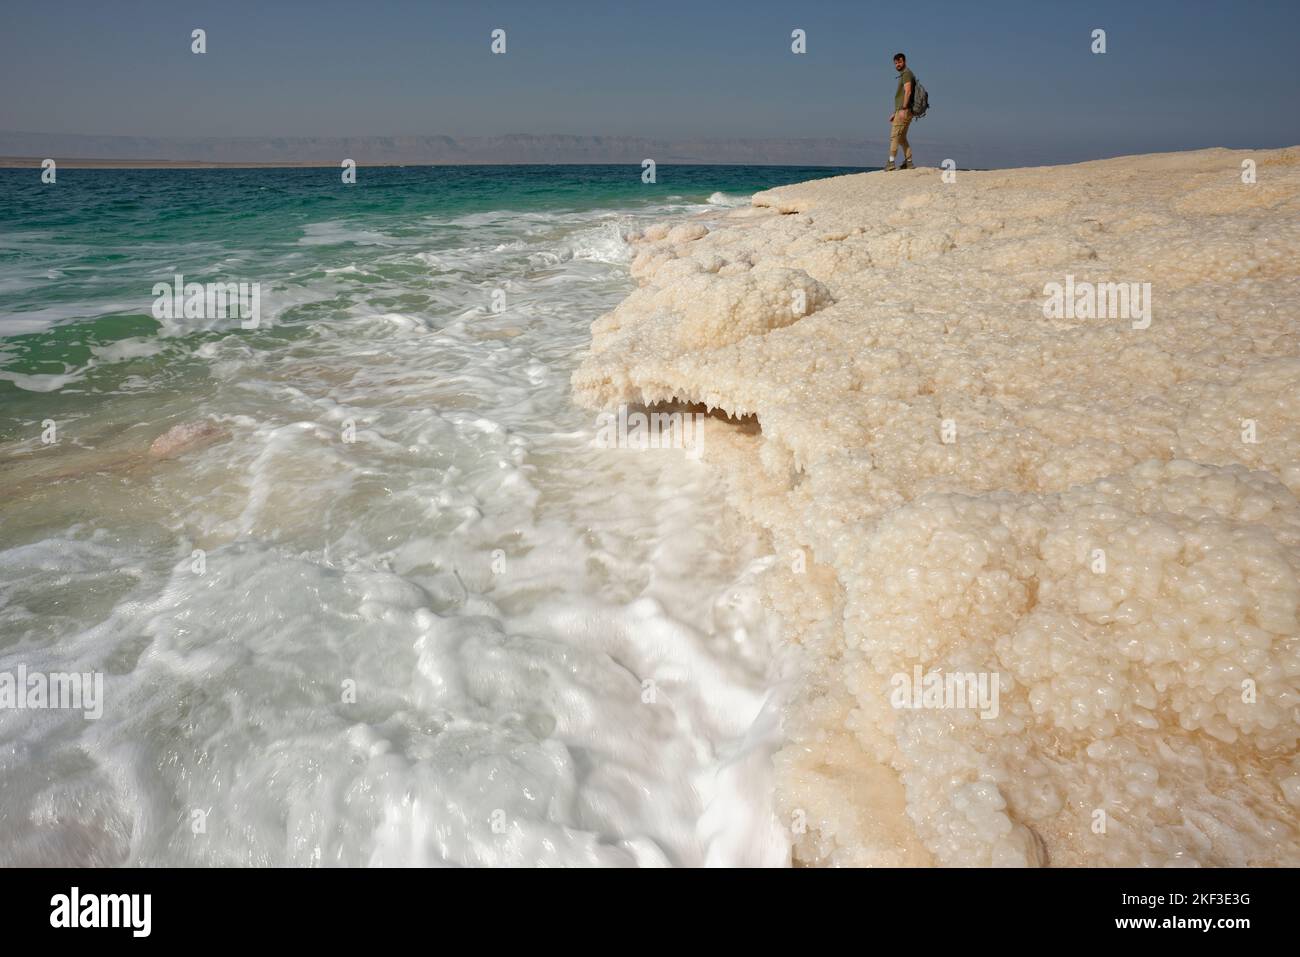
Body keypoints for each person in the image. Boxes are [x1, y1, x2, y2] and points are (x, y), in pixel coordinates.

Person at [886, 53, 915, 171]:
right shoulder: (905, 74)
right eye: (896, 63)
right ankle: (909, 162)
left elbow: (907, 92)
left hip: (905, 110)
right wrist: (895, 112)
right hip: (905, 110)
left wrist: (903, 109)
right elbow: (903, 95)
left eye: (900, 62)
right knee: (902, 137)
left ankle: (891, 163)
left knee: (894, 136)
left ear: (905, 61)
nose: (898, 64)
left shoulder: (907, 74)